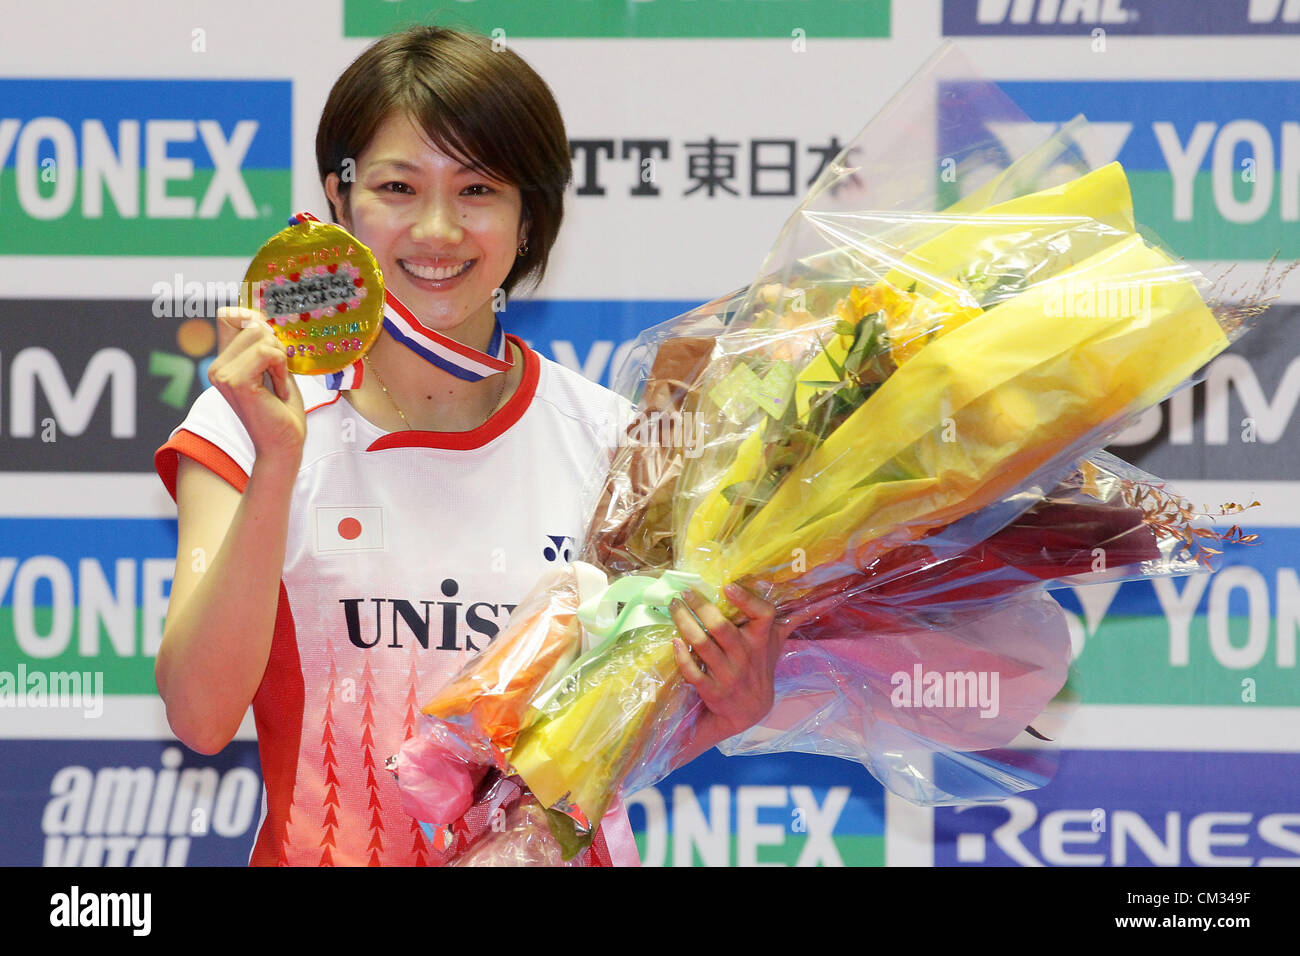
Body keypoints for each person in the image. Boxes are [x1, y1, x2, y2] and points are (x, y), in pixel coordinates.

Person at [153, 25, 787, 867]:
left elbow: (609, 737)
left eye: (479, 188)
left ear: (530, 219)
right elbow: (200, 715)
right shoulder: (252, 422)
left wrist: (726, 705)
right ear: (339, 208)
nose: (439, 229)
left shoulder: (613, 443)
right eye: (397, 187)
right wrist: (278, 464)